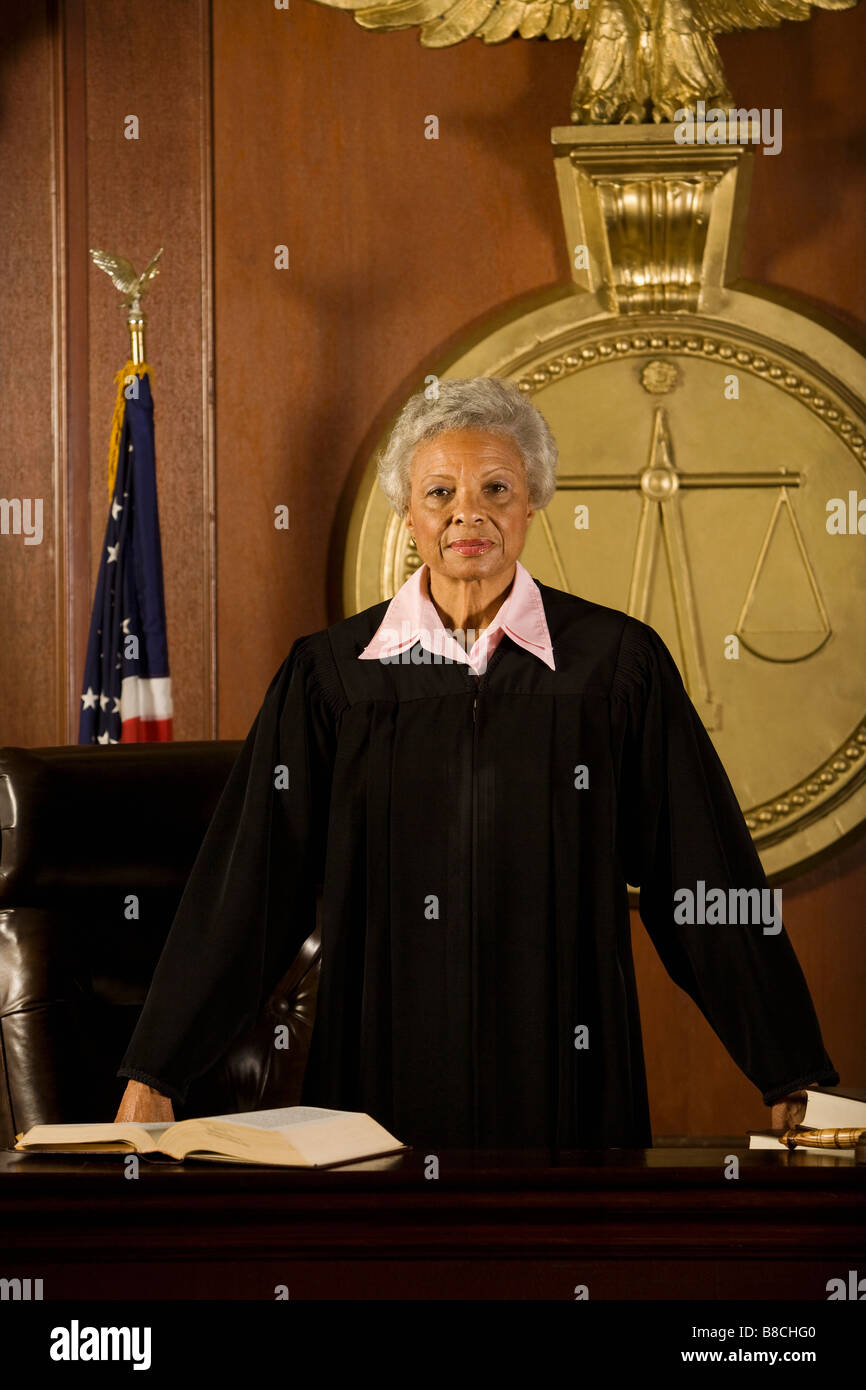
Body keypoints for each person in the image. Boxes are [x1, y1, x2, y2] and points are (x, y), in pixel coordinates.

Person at [115, 377, 838, 1146]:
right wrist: (157, 1073)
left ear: (532, 503)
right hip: (378, 1086)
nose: (470, 512)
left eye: (498, 487)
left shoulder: (615, 669)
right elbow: (252, 887)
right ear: (409, 515)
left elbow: (702, 876)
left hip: (568, 1078)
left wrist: (789, 1068)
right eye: (439, 492)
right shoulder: (333, 678)